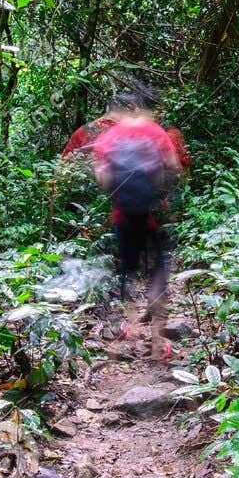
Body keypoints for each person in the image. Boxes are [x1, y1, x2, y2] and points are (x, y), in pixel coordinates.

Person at [61, 93, 189, 351]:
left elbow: (102, 177)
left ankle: (127, 333)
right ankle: (156, 340)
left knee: (128, 271)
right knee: (158, 269)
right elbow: (175, 166)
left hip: (123, 214)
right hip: (155, 214)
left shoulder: (107, 136)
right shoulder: (154, 130)